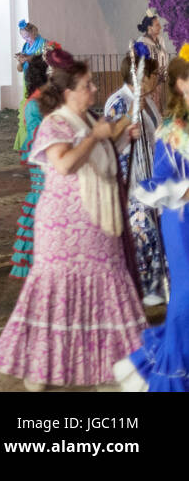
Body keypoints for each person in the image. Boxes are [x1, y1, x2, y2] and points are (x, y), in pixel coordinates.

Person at [0, 48, 147, 390]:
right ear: (68, 93)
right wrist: (97, 137)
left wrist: (120, 139)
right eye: (88, 84)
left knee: (106, 290)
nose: (94, 88)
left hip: (99, 225)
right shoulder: (54, 123)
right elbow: (65, 164)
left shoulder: (91, 120)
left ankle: (111, 367)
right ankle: (39, 369)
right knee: (55, 297)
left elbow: (98, 158)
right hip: (64, 230)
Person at [114, 56, 189, 391]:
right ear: (179, 84)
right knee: (185, 297)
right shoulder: (172, 127)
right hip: (181, 220)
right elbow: (160, 179)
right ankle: (169, 373)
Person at [103, 46, 168, 305]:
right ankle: (140, 288)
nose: (156, 79)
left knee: (157, 229)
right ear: (142, 77)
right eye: (153, 74)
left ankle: (155, 287)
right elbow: (112, 140)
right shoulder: (118, 102)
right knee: (144, 231)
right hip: (131, 180)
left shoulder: (149, 101)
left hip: (152, 175)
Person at [10, 55, 49, 279]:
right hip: (41, 155)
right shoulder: (36, 103)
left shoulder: (36, 101)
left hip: (42, 155)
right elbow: (38, 132)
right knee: (40, 200)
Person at [139, 10, 173, 114]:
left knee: (158, 105)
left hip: (160, 80)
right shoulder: (141, 42)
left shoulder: (160, 40)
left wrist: (164, 73)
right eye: (157, 25)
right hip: (148, 82)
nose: (160, 27)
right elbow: (141, 64)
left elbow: (165, 57)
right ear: (149, 28)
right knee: (150, 107)